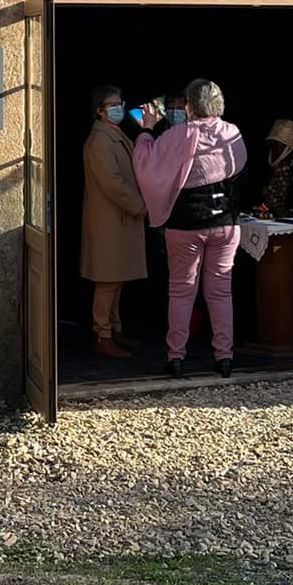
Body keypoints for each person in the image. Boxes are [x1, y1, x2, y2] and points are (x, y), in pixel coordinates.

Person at [131, 78, 247, 378]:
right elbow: (238, 168)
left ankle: (176, 357)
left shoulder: (177, 136)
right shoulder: (232, 132)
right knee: (221, 291)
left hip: (185, 224)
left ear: (190, 105)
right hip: (225, 221)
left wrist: (145, 130)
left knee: (181, 291)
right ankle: (224, 357)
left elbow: (145, 165)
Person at [79, 85, 146, 359]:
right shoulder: (99, 141)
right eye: (112, 104)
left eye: (120, 103)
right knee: (107, 280)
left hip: (120, 219)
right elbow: (112, 183)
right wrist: (140, 205)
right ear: (99, 111)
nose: (118, 108)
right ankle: (102, 334)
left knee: (117, 279)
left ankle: (115, 329)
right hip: (110, 220)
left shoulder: (115, 135)